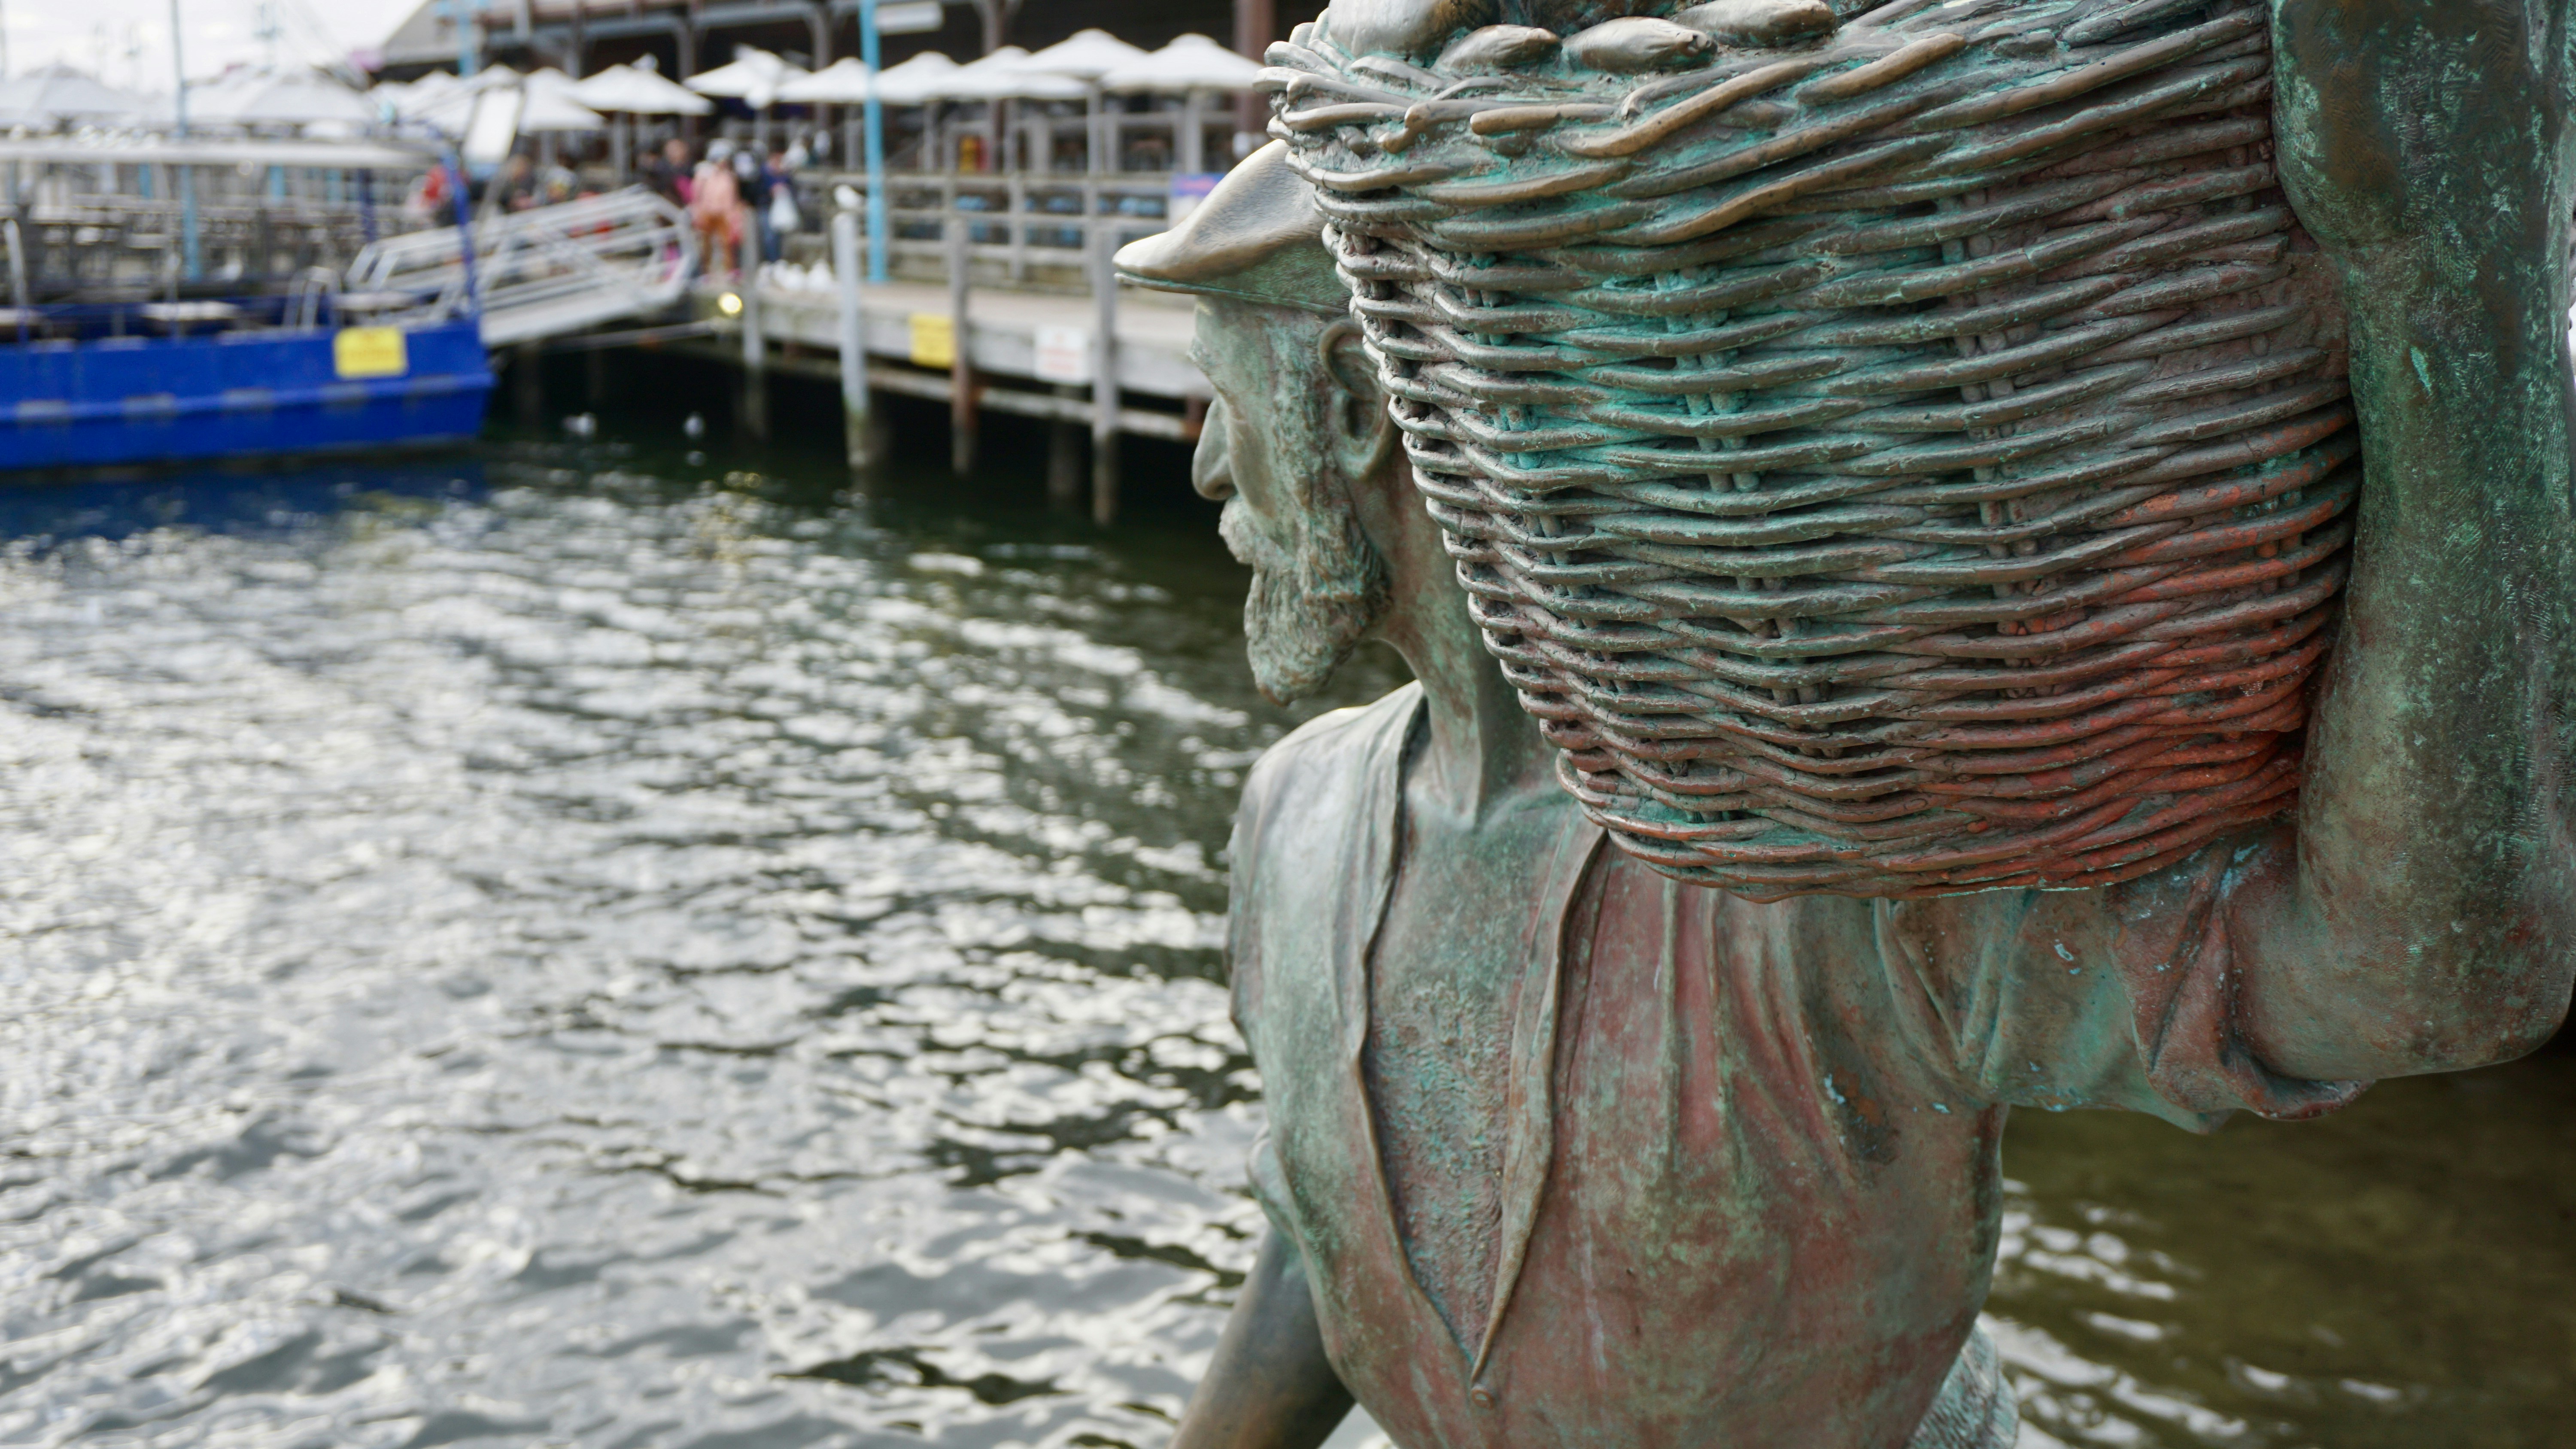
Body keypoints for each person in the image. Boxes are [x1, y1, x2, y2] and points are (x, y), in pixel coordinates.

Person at [1111, 2, 2576, 1441]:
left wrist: (2444, 293)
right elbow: (1322, 1243)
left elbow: (2424, 982)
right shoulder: (1296, 811)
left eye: (1217, 395)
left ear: (1365, 413)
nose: (1202, 468)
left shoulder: (1823, 837)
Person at [690, 140, 746, 276]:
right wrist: (697, 212)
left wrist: (734, 216)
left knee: (727, 244)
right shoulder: (704, 175)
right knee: (705, 243)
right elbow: (697, 195)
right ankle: (705, 272)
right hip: (707, 212)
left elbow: (732, 198)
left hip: (724, 214)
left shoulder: (730, 177)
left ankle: (729, 271)